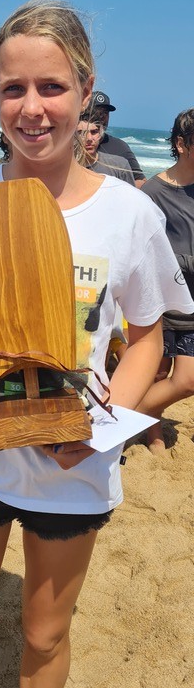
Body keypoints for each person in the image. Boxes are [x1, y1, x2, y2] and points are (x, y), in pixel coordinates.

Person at [0, 0, 193, 688]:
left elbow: (148, 337)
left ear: (86, 91)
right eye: (13, 89)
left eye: (52, 87)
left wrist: (105, 428)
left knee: (44, 636)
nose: (32, 108)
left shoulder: (131, 214)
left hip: (76, 465)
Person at [139, 108, 194, 452]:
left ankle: (128, 414)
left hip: (193, 306)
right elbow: (143, 251)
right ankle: (152, 432)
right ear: (182, 144)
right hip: (161, 302)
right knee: (156, 374)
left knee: (187, 380)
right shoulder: (153, 193)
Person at [85, 90, 146, 187]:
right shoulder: (70, 145)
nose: (102, 117)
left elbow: (140, 180)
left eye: (106, 113)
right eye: (97, 112)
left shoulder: (120, 147)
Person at [76, 117, 135, 184]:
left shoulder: (120, 166)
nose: (89, 138)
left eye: (94, 132)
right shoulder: (64, 168)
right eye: (81, 133)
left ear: (100, 134)